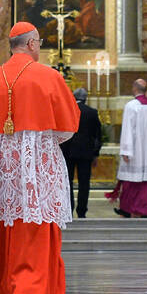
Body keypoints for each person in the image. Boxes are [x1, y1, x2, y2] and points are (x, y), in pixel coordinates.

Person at [0, 22, 78, 294]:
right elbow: (68, 128)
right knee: (36, 226)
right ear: (31, 44)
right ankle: (31, 292)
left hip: (0, 173)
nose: (39, 48)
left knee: (3, 228)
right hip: (36, 169)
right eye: (39, 43)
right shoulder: (48, 76)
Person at [113, 79, 147, 218]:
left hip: (137, 152)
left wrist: (126, 150)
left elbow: (127, 130)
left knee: (134, 180)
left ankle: (133, 209)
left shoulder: (132, 106)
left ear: (134, 88)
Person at [60, 88, 103, 218]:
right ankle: (82, 211)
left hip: (68, 152)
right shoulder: (92, 112)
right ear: (86, 98)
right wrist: (96, 154)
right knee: (84, 182)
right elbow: (97, 136)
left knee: (68, 182)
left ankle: (69, 209)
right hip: (86, 153)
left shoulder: (67, 111)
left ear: (73, 98)